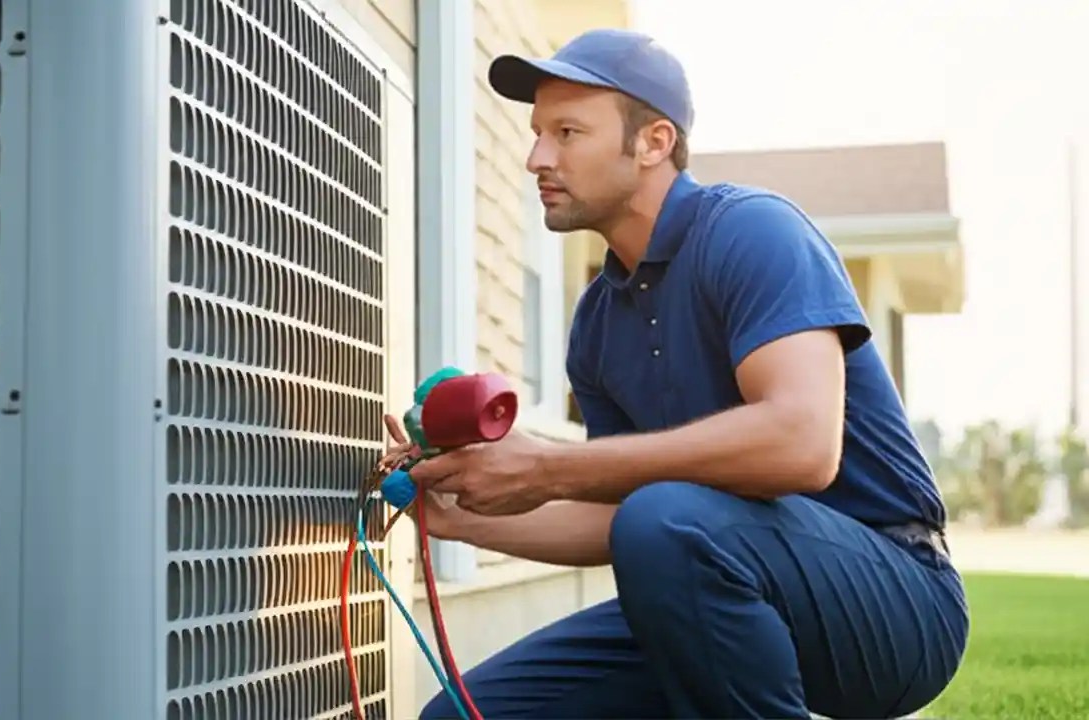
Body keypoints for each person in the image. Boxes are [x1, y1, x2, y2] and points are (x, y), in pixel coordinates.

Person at [386, 28, 970, 720]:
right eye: (538, 132)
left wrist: (546, 467)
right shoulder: (597, 324)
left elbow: (802, 445)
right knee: (460, 716)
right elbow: (615, 519)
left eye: (567, 132)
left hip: (894, 599)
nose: (536, 157)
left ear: (654, 142)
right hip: (705, 584)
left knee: (666, 517)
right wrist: (459, 523)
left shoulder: (753, 233)